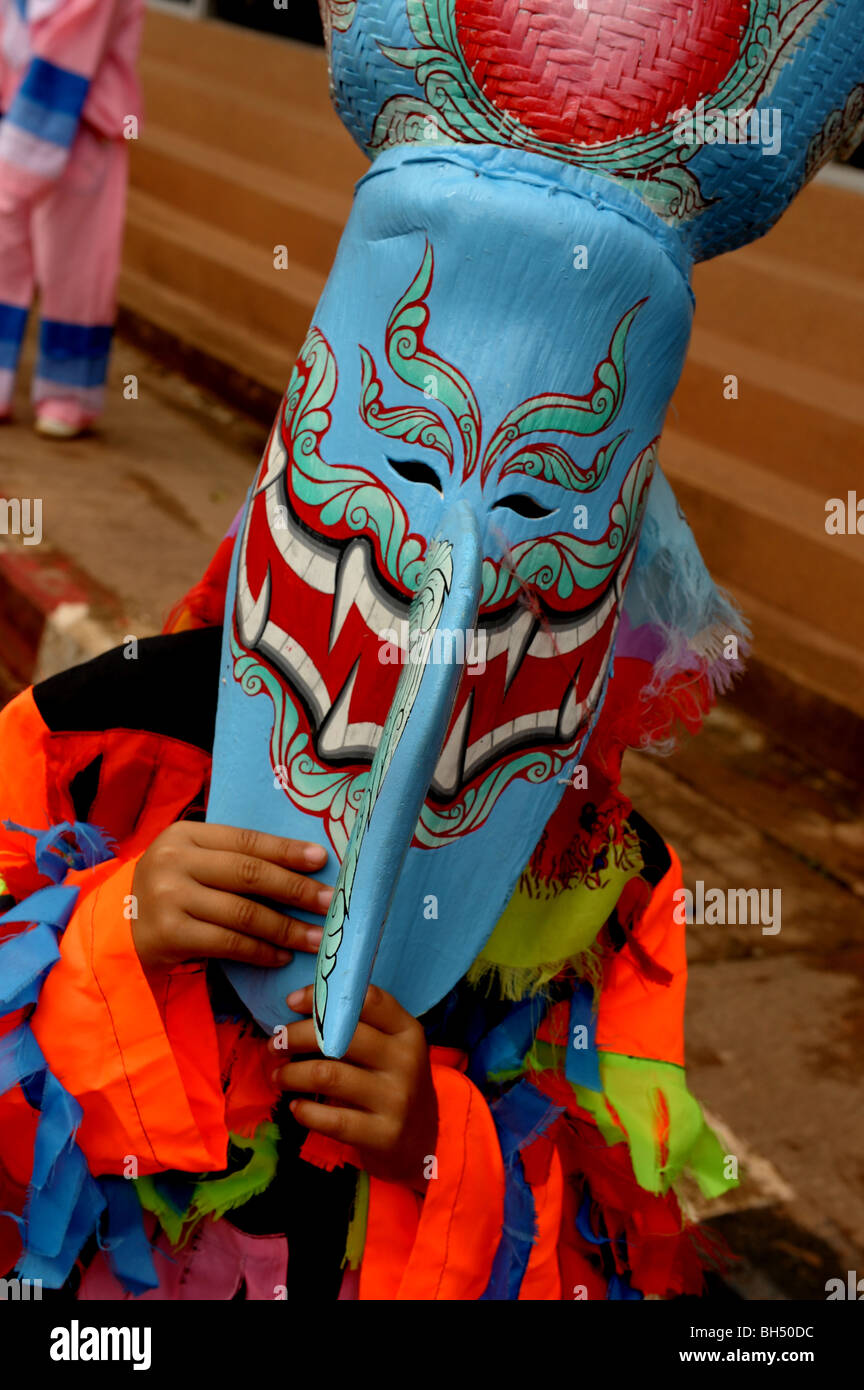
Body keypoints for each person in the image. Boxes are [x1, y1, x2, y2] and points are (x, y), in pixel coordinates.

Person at [0, 0, 143, 437]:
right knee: (3, 249)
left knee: (77, 261)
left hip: (85, 126)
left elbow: (72, 48)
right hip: (12, 114)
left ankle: (67, 393)